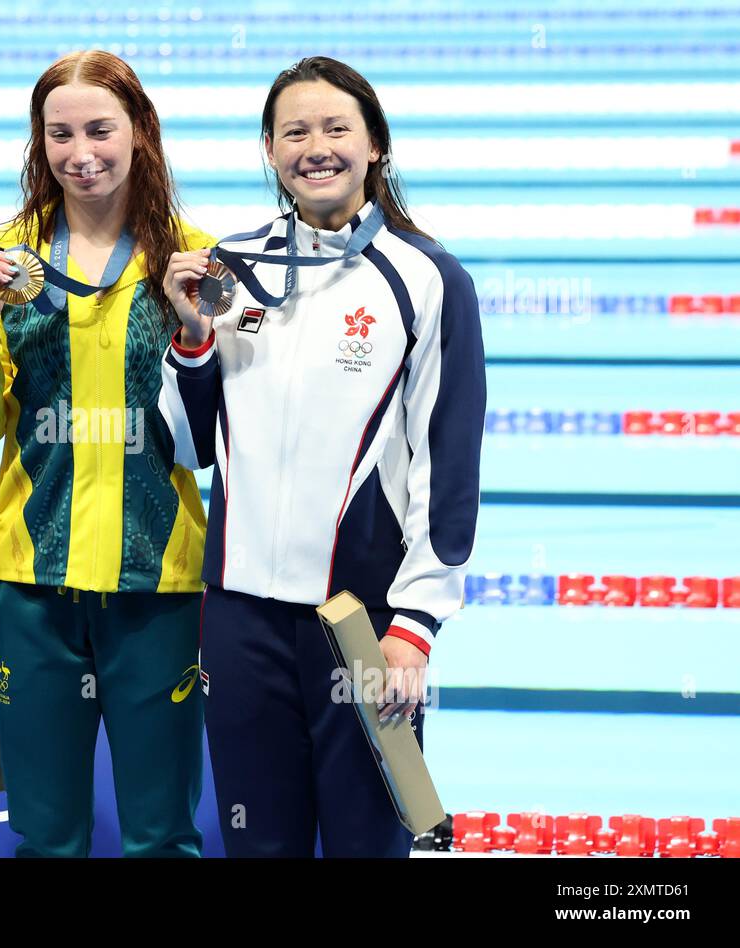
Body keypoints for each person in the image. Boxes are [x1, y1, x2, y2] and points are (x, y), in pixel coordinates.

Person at [159, 56, 486, 857]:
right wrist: (193, 341)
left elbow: (448, 464)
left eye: (337, 127)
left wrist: (415, 625)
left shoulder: (427, 278)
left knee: (366, 843)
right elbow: (183, 443)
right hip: (239, 619)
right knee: (257, 842)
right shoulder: (226, 268)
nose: (317, 146)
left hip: (362, 621)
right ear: (269, 149)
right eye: (294, 130)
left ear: (374, 143)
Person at [0, 51, 209, 857]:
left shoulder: (192, 259)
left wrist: (198, 333)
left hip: (156, 584)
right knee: (46, 836)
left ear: (140, 133)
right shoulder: (5, 257)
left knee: (161, 836)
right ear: (40, 141)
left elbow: (209, 444)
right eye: (60, 133)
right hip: (32, 589)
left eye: (100, 128)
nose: (80, 150)